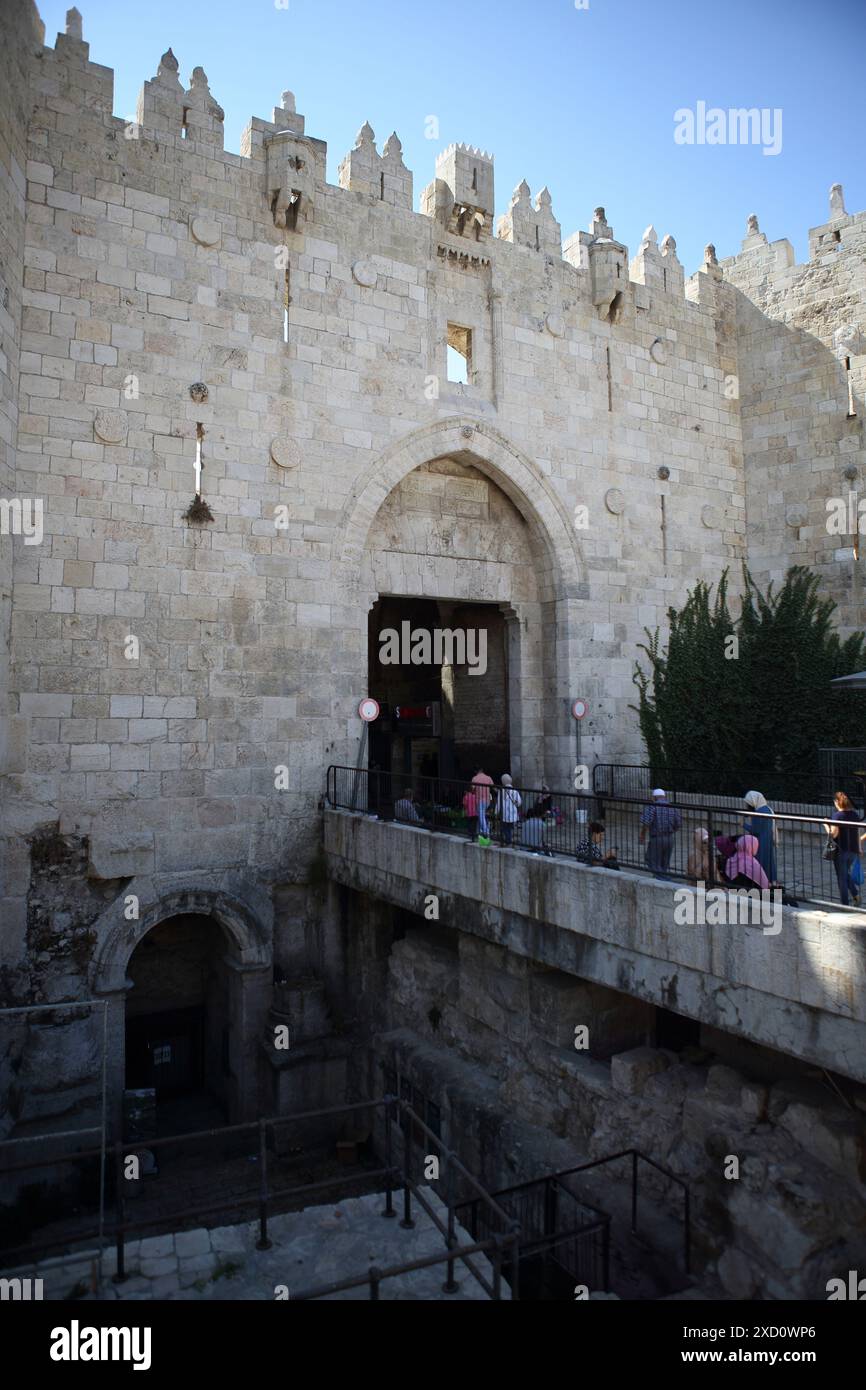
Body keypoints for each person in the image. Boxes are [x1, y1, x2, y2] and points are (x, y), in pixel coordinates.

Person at [823, 790, 866, 907]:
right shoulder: (855, 815)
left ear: (837, 802)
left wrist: (826, 824)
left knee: (841, 878)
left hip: (841, 851)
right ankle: (856, 895)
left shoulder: (837, 816)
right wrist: (860, 848)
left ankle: (845, 904)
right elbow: (857, 832)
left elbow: (833, 834)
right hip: (852, 850)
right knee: (845, 874)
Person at [639, 788, 682, 879]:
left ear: (654, 797)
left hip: (657, 838)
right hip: (669, 838)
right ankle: (664, 877)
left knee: (652, 860)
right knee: (664, 862)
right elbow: (678, 824)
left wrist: (642, 834)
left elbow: (646, 822)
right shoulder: (672, 807)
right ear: (664, 796)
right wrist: (671, 831)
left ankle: (663, 880)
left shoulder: (653, 806)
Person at [743, 790, 778, 884]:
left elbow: (755, 830)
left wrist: (744, 825)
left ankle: (760, 882)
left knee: (760, 862)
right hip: (768, 840)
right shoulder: (767, 809)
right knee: (769, 861)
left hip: (759, 842)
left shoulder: (758, 812)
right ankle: (771, 881)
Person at [495, 773, 522, 847]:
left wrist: (496, 812)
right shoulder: (515, 791)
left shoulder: (501, 791)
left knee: (505, 827)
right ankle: (510, 840)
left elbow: (498, 803)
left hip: (504, 813)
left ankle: (508, 841)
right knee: (510, 827)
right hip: (512, 813)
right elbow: (519, 803)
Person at [472, 767, 494, 839]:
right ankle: (479, 832)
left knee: (481, 816)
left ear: (476, 771)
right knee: (482, 816)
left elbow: (472, 788)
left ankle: (486, 832)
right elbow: (492, 786)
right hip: (487, 799)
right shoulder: (488, 777)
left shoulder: (475, 778)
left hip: (479, 799)